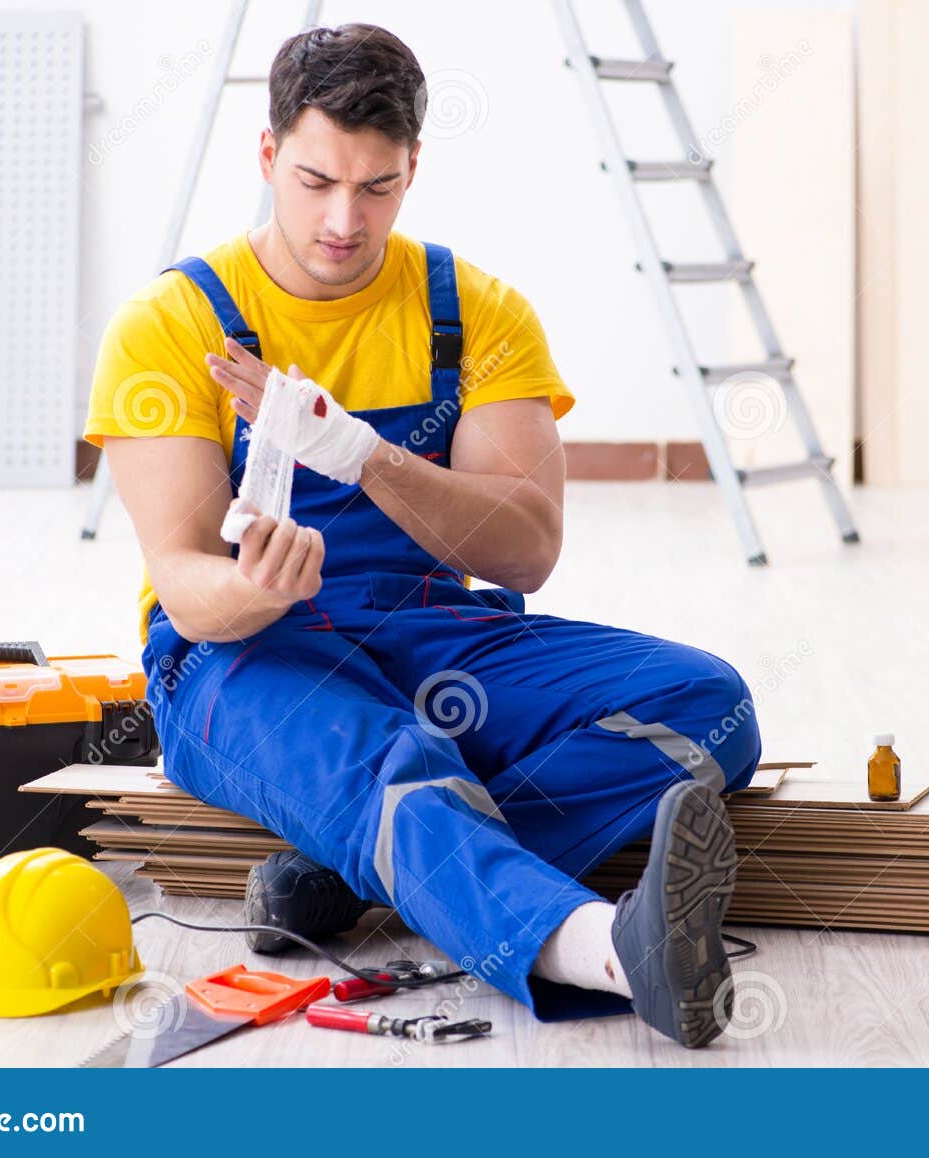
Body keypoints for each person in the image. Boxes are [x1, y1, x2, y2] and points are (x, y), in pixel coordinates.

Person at [85, 24, 761, 1047]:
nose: (343, 219)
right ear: (268, 157)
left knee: (707, 707)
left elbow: (526, 551)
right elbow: (185, 583)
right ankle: (613, 952)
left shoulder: (474, 314)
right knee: (400, 761)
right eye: (315, 181)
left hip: (434, 635)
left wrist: (360, 455)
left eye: (377, 188)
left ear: (412, 172)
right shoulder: (173, 324)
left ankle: (363, 859)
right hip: (244, 657)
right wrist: (262, 590)